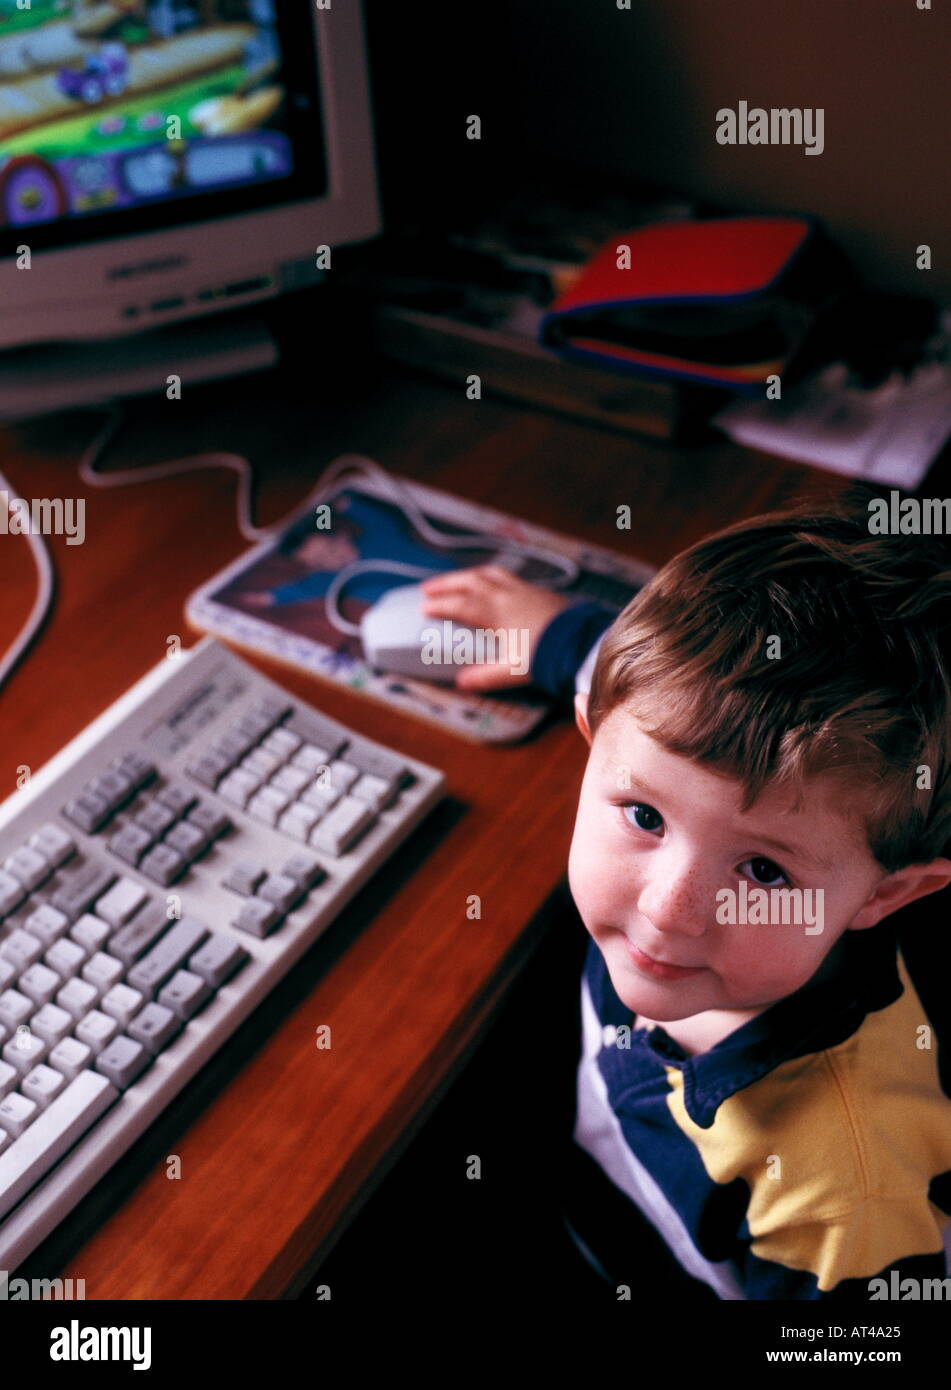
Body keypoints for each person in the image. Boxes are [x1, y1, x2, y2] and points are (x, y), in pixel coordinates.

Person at [418, 495, 951, 1300]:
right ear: (590, 727)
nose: (670, 908)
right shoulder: (678, 763)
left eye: (763, 873)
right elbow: (647, 692)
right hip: (599, 1206)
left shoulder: (844, 1193)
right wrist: (563, 639)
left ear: (887, 894)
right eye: (644, 816)